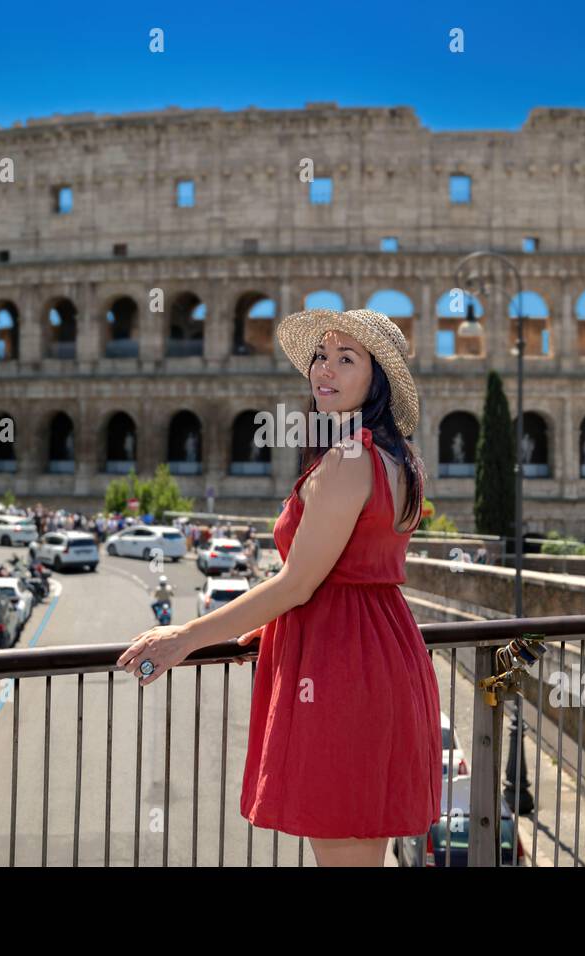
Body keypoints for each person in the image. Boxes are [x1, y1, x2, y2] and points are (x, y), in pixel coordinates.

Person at [118, 307, 441, 867]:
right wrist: (268, 626)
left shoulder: (346, 460)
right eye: (321, 356)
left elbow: (296, 584)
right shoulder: (398, 460)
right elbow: (348, 569)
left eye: (347, 359)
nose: (326, 370)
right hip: (385, 656)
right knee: (362, 851)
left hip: (340, 667)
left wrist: (185, 638)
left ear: (376, 379)